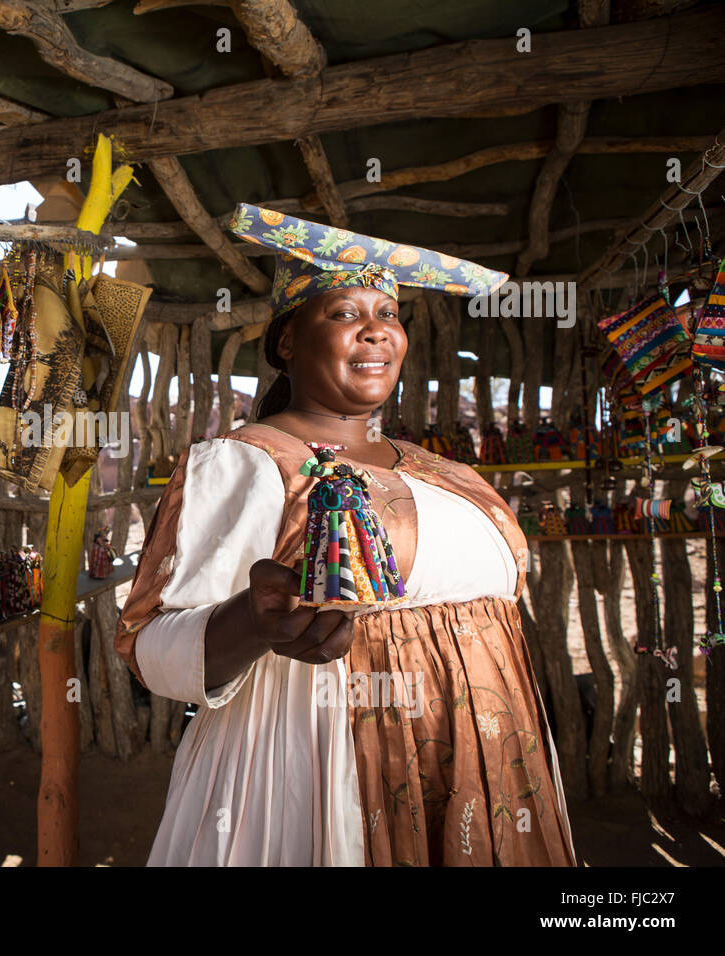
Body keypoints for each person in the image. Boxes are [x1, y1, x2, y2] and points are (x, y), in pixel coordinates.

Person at [115, 204, 576, 866]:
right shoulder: (247, 461)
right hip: (319, 763)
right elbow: (150, 644)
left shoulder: (447, 472)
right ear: (286, 343)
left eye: (388, 315)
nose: (376, 332)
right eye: (344, 314)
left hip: (487, 764)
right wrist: (254, 623)